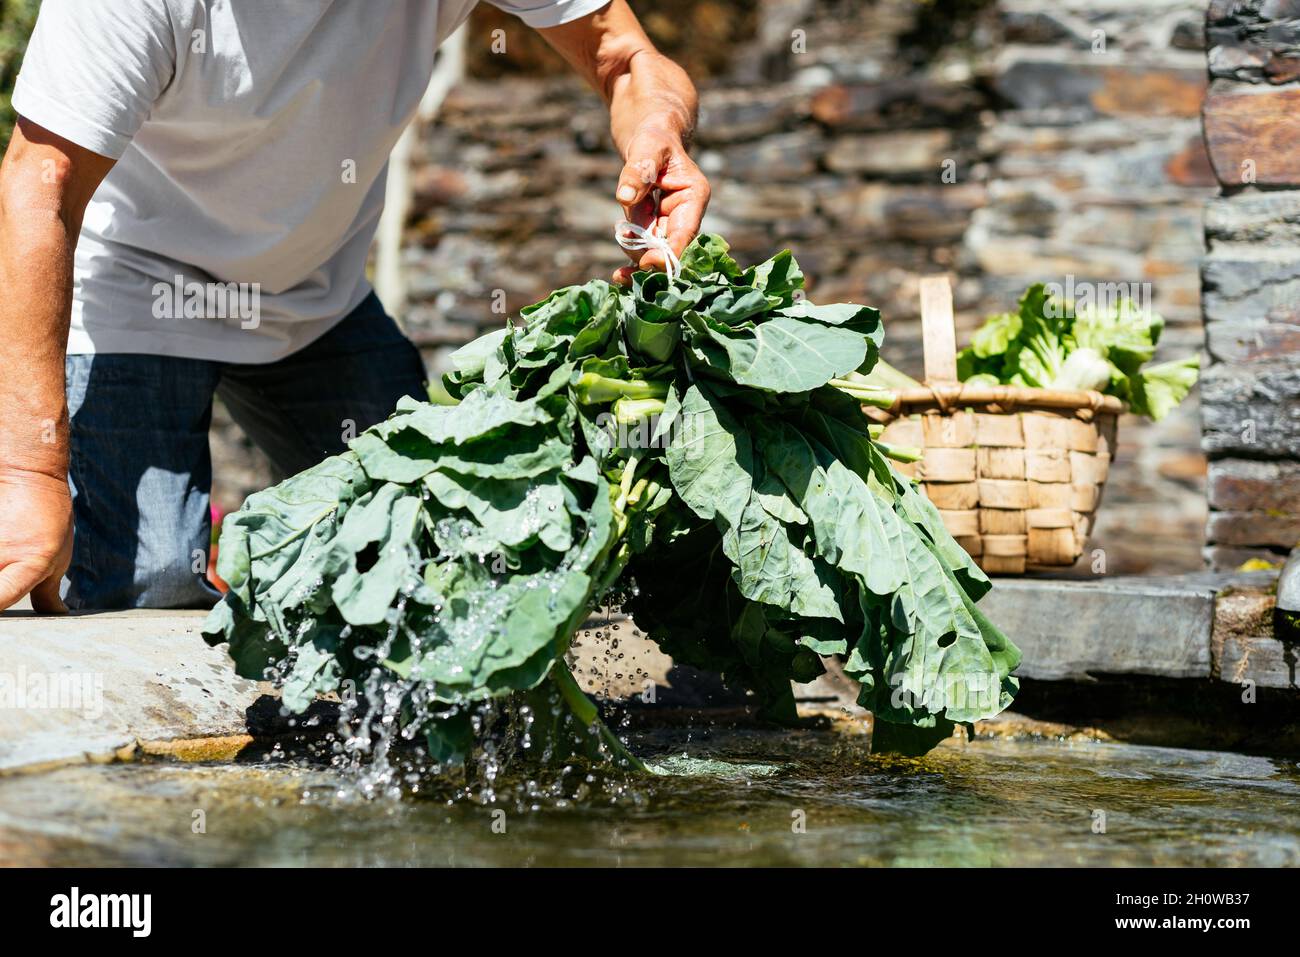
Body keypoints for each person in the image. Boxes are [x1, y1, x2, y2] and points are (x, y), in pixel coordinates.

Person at [0, 0, 710, 613]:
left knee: (439, 559)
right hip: (139, 284)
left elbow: (628, 60)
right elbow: (40, 186)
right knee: (146, 587)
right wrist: (27, 475)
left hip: (317, 294)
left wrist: (659, 127)